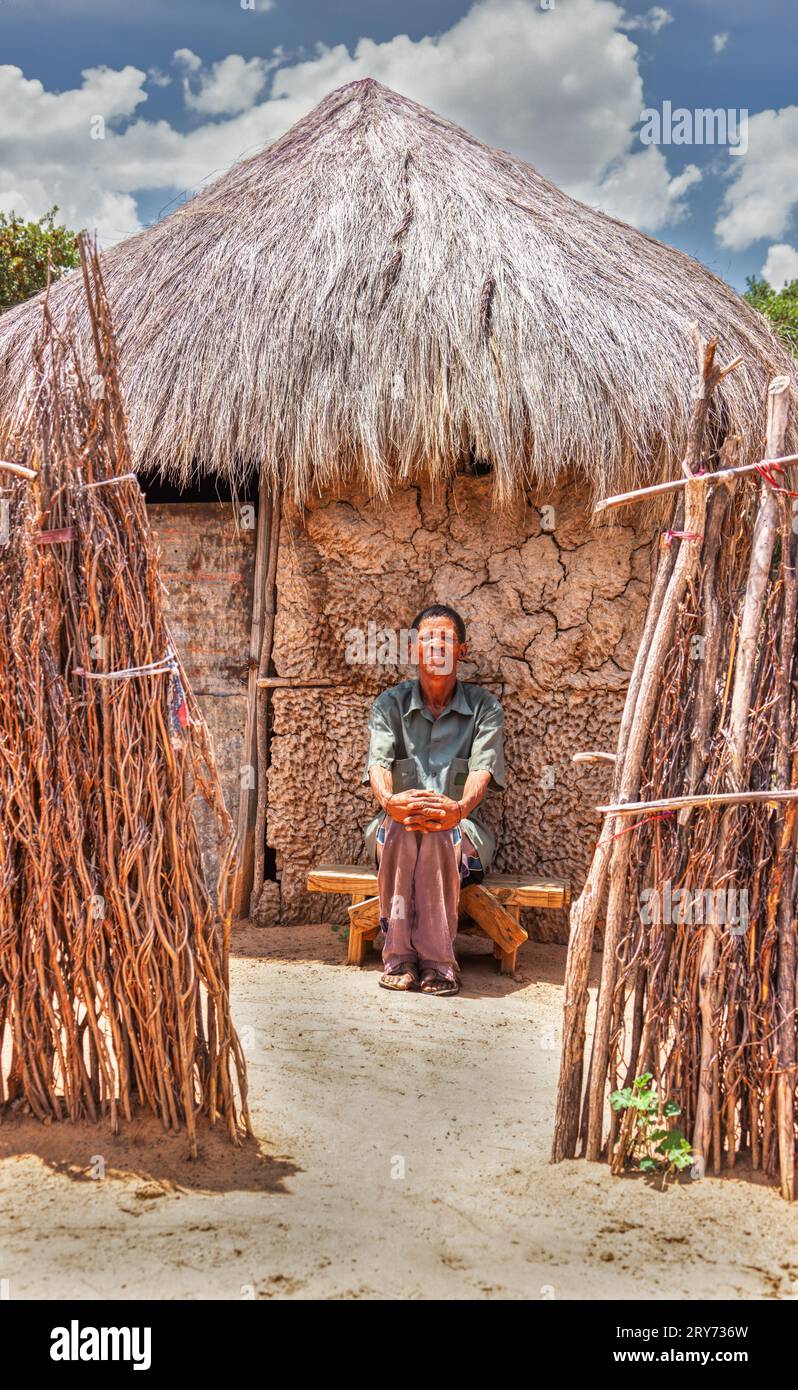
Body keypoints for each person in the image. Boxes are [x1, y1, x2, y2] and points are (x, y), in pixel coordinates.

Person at [363, 604, 505, 996]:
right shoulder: (389, 705)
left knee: (443, 831)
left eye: (446, 640)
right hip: (395, 832)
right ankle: (400, 959)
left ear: (462, 650)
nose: (436, 648)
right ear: (413, 649)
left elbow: (483, 771)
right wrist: (391, 802)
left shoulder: (484, 708)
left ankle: (439, 964)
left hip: (462, 834)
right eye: (428, 640)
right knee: (403, 827)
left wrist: (456, 810)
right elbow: (378, 764)